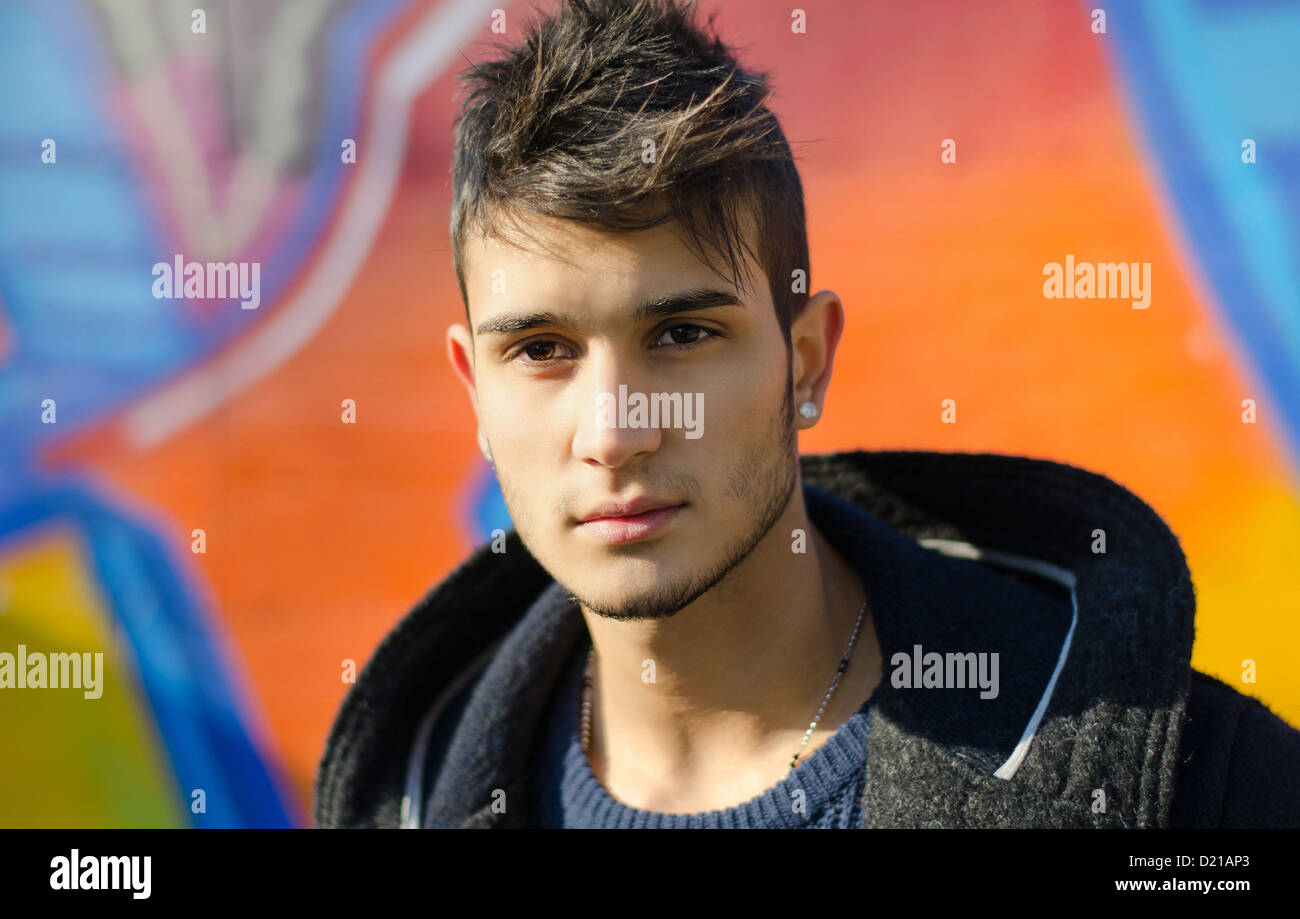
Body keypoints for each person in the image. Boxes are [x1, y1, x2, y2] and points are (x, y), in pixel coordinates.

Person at [315, 0, 1300, 828]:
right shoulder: (398, 797)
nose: (613, 431)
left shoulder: (1199, 792)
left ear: (805, 359)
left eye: (682, 335)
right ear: (473, 391)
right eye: (540, 352)